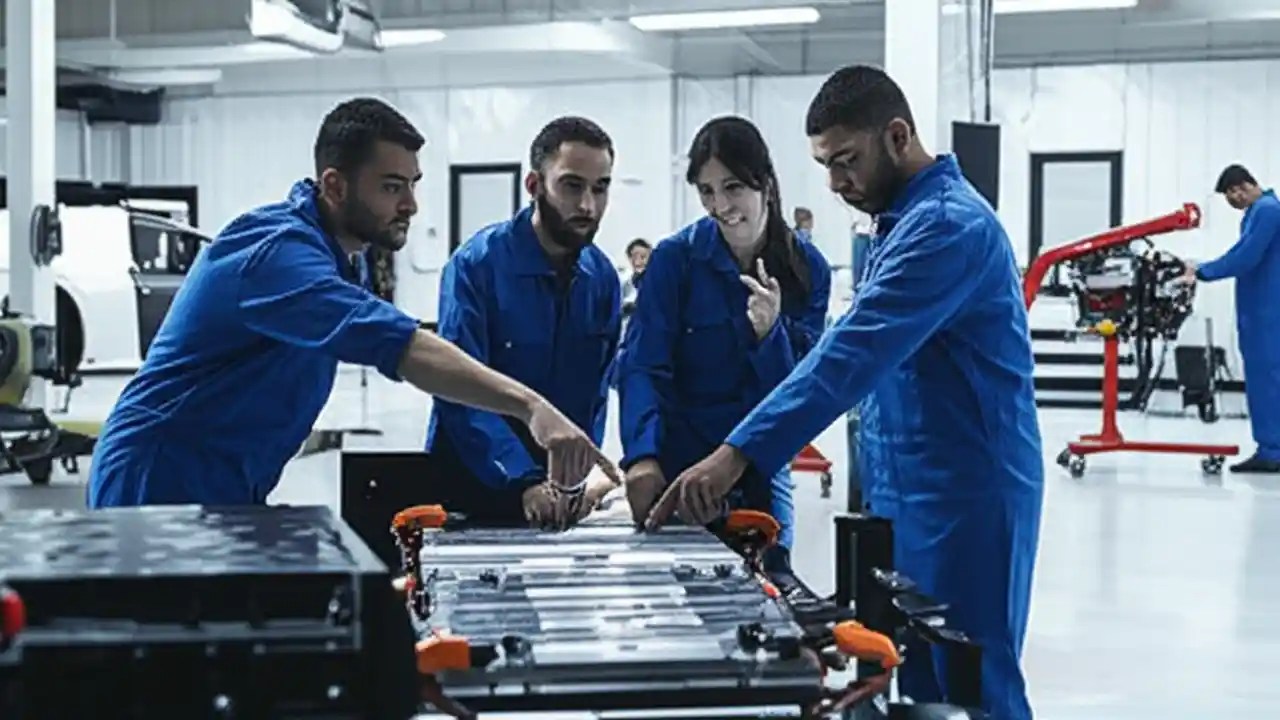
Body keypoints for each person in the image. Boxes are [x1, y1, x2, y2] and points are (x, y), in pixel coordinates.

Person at [646, 66, 1042, 719]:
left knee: (976, 679)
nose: (834, 183)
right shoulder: (895, 222)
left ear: (896, 136)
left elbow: (850, 354)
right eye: (824, 165)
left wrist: (735, 454)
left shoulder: (948, 226)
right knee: (914, 674)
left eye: (846, 161)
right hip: (905, 489)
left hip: (969, 492)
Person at [88, 98, 617, 509]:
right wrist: (531, 407)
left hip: (231, 481)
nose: (410, 204)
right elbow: (400, 344)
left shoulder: (344, 256)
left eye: (412, 184)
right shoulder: (276, 254)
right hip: (157, 481)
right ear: (335, 186)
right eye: (391, 187)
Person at [619, 115, 832, 586]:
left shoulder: (808, 270)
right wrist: (643, 458)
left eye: (733, 187)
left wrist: (770, 332)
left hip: (758, 463)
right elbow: (643, 366)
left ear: (766, 184)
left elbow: (803, 393)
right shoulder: (676, 261)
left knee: (770, 588)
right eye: (707, 191)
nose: (720, 205)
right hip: (680, 463)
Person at [425, 116, 623, 529]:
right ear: (534, 186)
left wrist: (577, 477)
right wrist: (524, 479)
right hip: (473, 487)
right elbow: (459, 392)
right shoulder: (475, 266)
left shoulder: (602, 279)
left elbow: (595, 395)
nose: (587, 205)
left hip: (558, 497)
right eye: (572, 185)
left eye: (600, 187)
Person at [1184, 164, 1280, 473]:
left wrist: (1202, 272)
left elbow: (1246, 256)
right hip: (1259, 309)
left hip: (1268, 313)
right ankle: (1271, 448)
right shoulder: (1258, 212)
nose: (1233, 201)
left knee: (1267, 383)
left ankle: (1272, 451)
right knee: (1266, 381)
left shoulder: (1267, 211)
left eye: (1231, 195)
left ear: (1242, 187)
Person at [621, 237, 651, 318]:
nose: (638, 262)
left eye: (643, 257)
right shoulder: (624, 282)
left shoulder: (656, 283)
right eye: (634, 257)